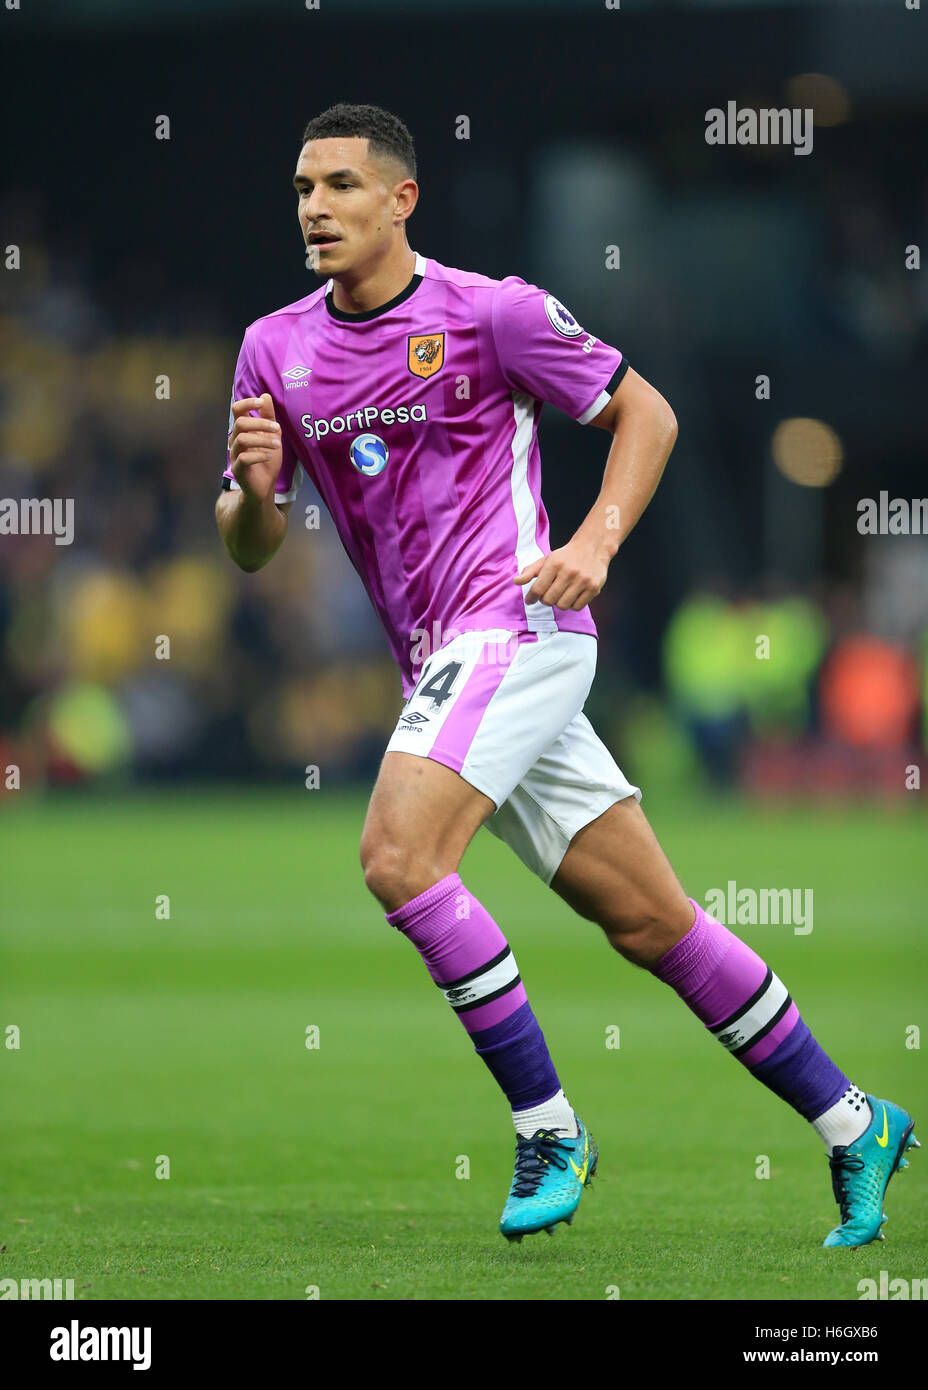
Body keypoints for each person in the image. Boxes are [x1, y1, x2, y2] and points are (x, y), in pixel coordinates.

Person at [216, 103, 916, 1246]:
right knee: (650, 921)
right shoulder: (272, 347)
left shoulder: (490, 313)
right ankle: (854, 1121)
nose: (315, 208)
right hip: (439, 660)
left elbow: (649, 410)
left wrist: (591, 542)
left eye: (341, 185)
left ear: (401, 201)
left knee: (397, 855)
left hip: (517, 626)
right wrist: (249, 495)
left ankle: (549, 1126)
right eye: (302, 189)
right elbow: (251, 542)